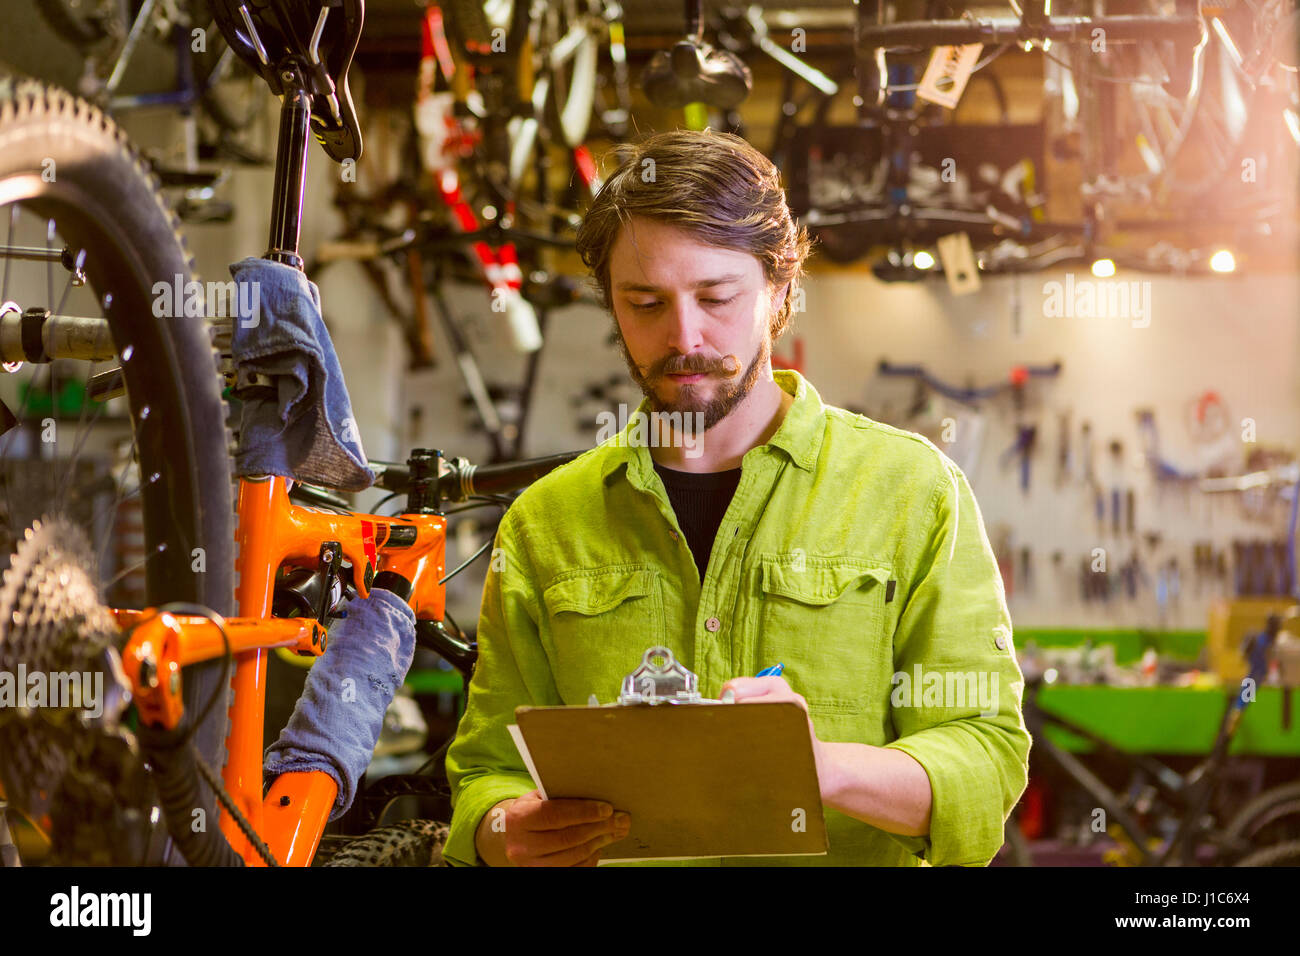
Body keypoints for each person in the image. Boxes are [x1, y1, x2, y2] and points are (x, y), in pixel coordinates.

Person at [442, 129, 1030, 867]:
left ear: (781, 290)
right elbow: (484, 771)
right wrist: (503, 829)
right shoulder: (545, 523)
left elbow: (984, 760)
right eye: (645, 302)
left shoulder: (912, 492)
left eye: (717, 296)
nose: (683, 336)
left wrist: (820, 767)